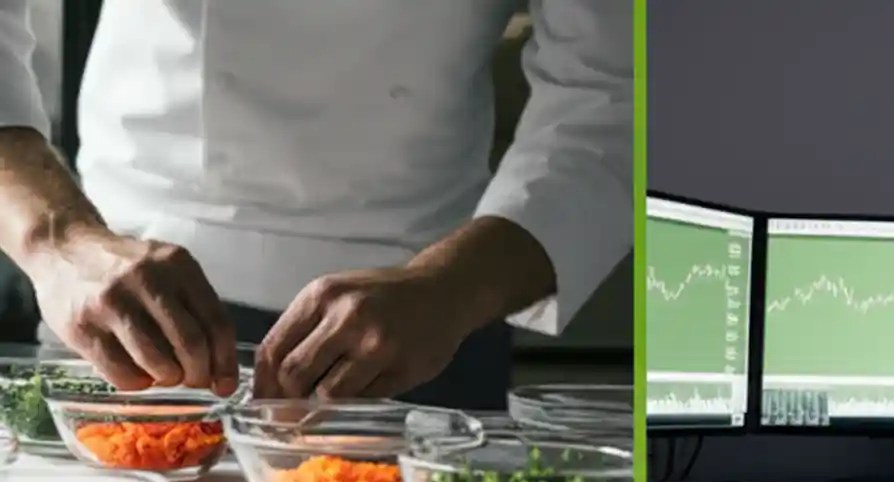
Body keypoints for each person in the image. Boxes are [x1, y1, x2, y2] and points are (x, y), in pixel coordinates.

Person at [0, 1, 632, 409]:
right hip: (120, 299)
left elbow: (617, 92)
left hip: (425, 320)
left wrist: (450, 287)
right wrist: (58, 242)